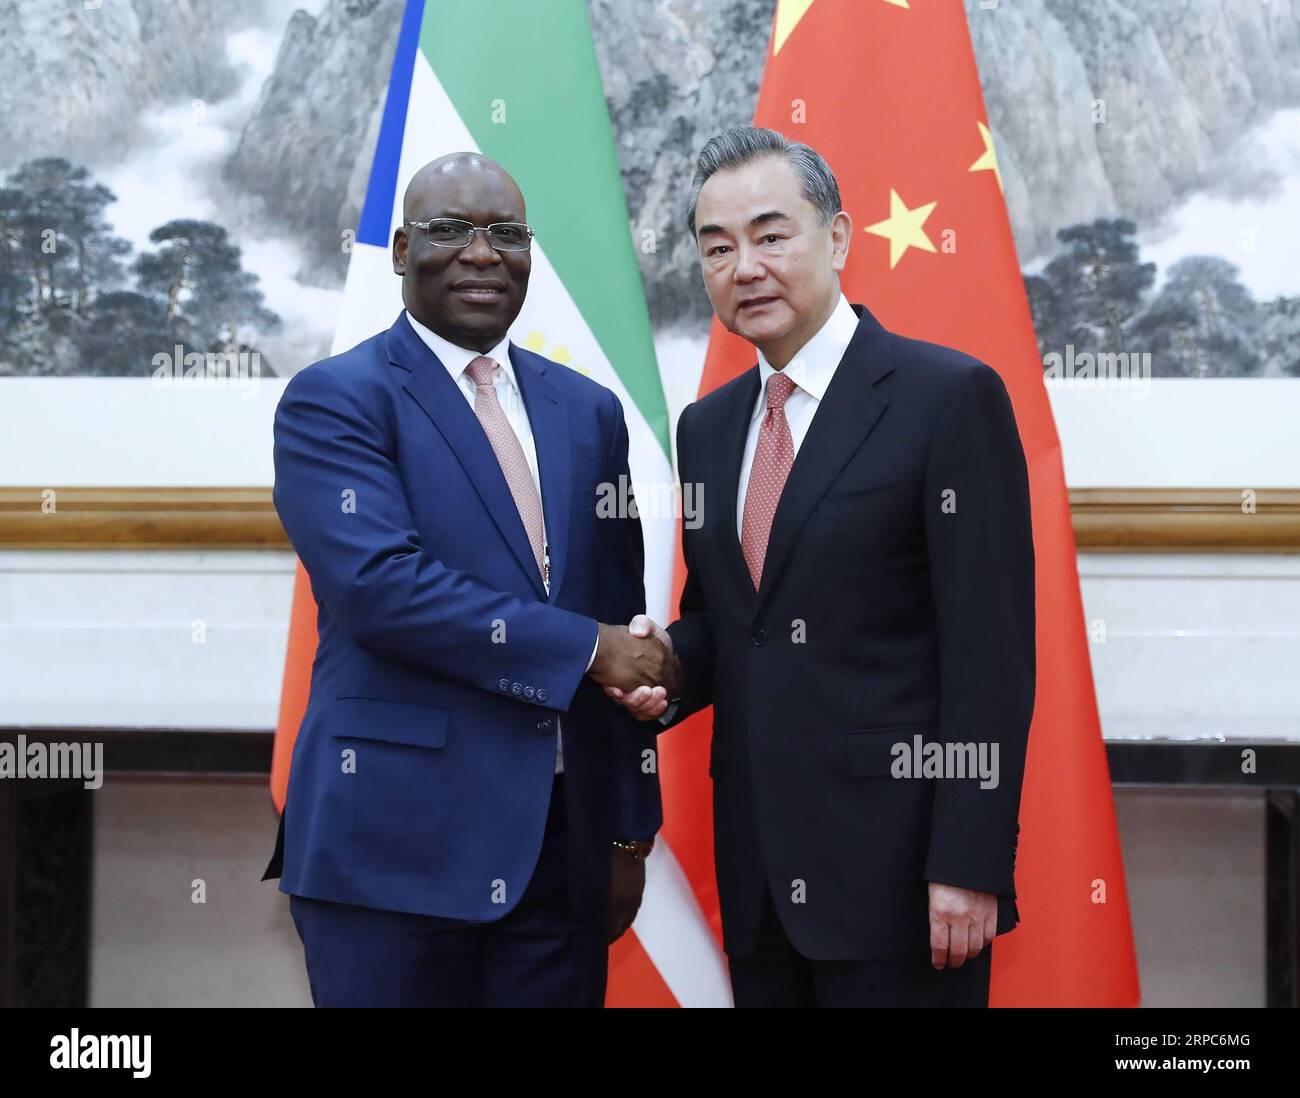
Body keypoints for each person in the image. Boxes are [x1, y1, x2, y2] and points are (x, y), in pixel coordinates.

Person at [609, 128, 1035, 1007]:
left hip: (906, 880)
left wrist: (968, 861)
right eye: (717, 247)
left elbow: (990, 657)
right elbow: (737, 624)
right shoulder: (710, 427)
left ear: (838, 238)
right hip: (762, 877)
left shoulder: (947, 400)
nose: (745, 267)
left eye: (771, 235)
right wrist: (661, 668)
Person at [263, 152, 680, 1007]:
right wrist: (591, 651)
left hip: (559, 859)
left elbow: (615, 616)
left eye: (507, 234)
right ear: (400, 249)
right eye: (451, 231)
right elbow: (381, 589)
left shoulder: (587, 412)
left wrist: (627, 832)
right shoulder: (336, 400)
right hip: (390, 851)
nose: (483, 254)